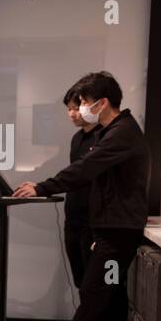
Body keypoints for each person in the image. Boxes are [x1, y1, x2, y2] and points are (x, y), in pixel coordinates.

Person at [13, 72, 149, 321]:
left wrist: (42, 186)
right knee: (108, 294)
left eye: (84, 103)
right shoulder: (108, 132)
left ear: (101, 103)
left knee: (95, 292)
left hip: (117, 233)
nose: (79, 109)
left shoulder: (121, 132)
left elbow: (85, 169)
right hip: (110, 229)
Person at [53, 84, 99, 286]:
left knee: (97, 283)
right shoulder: (77, 138)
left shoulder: (104, 137)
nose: (71, 114)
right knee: (80, 280)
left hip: (93, 221)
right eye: (68, 109)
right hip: (73, 218)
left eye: (75, 108)